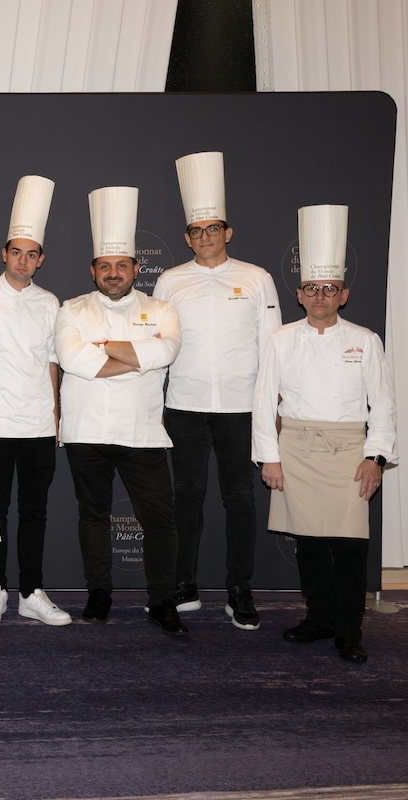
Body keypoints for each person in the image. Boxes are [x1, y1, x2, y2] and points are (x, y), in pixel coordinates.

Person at [253, 204, 396, 664]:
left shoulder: (366, 340)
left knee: (351, 547)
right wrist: (269, 457)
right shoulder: (281, 339)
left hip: (350, 449)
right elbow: (263, 400)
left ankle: (349, 630)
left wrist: (375, 457)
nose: (320, 296)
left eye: (329, 289)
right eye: (312, 288)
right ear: (299, 293)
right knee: (310, 542)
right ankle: (319, 618)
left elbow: (384, 404)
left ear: (343, 295)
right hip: (295, 447)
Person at [153, 152, 282, 630]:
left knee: (240, 499)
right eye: (196, 231)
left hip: (239, 407)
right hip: (183, 405)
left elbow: (273, 349)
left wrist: (272, 409)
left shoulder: (256, 278)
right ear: (187, 237)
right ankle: (184, 582)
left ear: (227, 233)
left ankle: (238, 588)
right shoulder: (169, 281)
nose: (204, 237)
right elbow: (156, 345)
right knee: (185, 496)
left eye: (213, 229)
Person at [54, 186, 187, 635]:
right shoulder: (70, 309)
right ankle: (99, 591)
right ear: (93, 270)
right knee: (92, 516)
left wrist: (103, 349)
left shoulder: (162, 308)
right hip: (85, 431)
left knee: (160, 521)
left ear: (136, 268)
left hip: (142, 431)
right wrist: (134, 357)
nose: (114, 273)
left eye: (122, 265)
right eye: (105, 266)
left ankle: (163, 600)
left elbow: (165, 351)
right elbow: (74, 362)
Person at [0, 175, 71, 627]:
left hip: (37, 425)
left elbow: (53, 364)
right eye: (17, 252)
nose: (24, 260)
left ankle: (31, 590)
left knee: (35, 512)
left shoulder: (51, 303)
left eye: (32, 254)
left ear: (40, 259)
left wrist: (55, 418)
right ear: (4, 254)